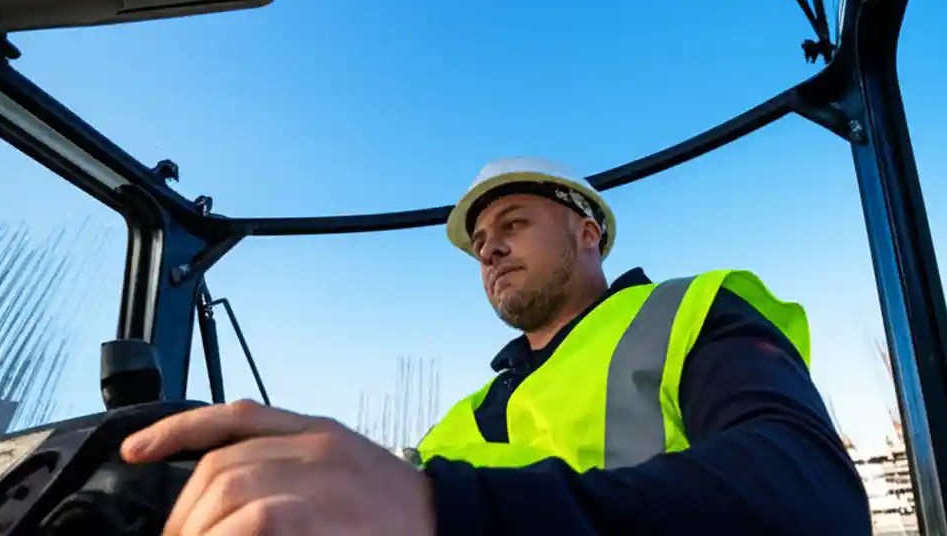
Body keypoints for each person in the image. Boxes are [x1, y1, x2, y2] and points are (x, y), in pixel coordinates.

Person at [122, 157, 871, 535]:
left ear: (587, 233)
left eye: (512, 224)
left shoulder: (686, 313)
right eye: (481, 241)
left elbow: (811, 499)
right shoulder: (465, 419)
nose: (489, 250)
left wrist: (446, 510)